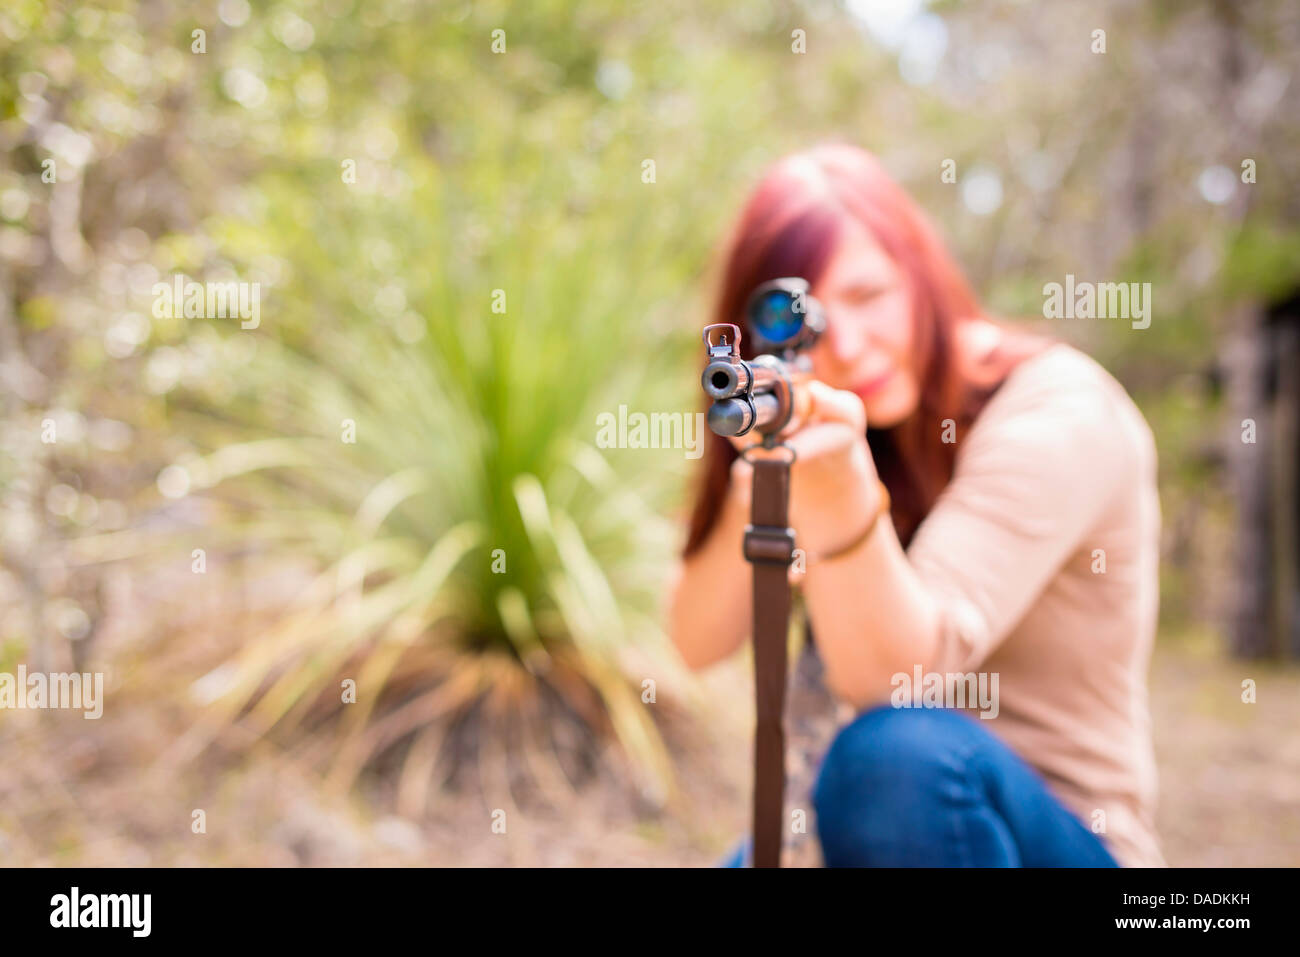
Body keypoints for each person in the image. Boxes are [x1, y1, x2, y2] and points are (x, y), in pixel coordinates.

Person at [668, 143, 1165, 867]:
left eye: (870, 297)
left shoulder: (1059, 410)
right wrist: (762, 489)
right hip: (841, 825)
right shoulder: (824, 418)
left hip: (1056, 837)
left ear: (920, 271)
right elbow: (694, 638)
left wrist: (839, 500)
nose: (851, 346)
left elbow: (898, 681)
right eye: (810, 322)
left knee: (896, 757)